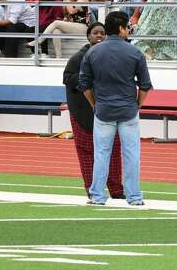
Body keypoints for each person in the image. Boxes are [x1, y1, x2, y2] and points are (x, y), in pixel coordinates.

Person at [77, 11, 152, 206]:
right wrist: (137, 105)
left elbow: (84, 84)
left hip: (103, 110)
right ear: (121, 29)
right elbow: (144, 85)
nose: (128, 30)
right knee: (131, 154)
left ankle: (97, 195)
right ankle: (134, 196)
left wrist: (95, 104)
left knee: (101, 153)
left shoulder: (93, 52)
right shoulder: (135, 53)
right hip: (128, 110)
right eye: (127, 26)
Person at [62, 21, 123, 200]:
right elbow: (67, 78)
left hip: (107, 111)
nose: (99, 36)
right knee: (87, 153)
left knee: (113, 151)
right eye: (95, 33)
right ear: (88, 36)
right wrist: (88, 82)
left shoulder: (109, 56)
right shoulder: (78, 58)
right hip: (83, 112)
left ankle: (116, 190)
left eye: (102, 33)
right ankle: (92, 190)